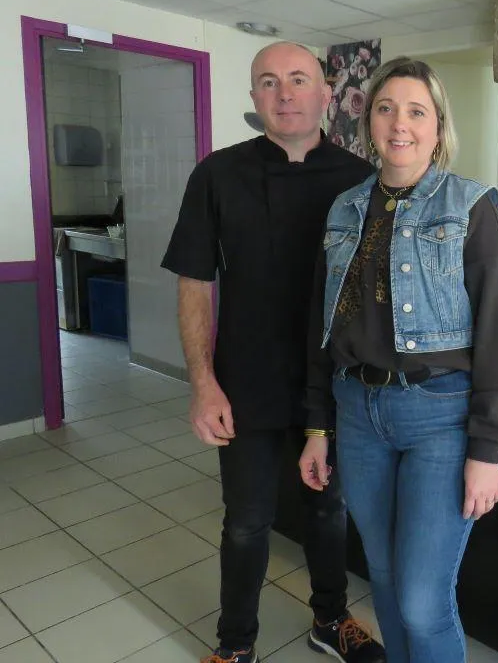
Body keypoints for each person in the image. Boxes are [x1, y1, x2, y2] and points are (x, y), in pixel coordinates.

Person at [162, 41, 386, 663]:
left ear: (325, 95)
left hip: (333, 384)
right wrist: (202, 383)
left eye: (297, 79)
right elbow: (193, 281)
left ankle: (331, 620)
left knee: (328, 510)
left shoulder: (360, 180)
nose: (284, 93)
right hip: (246, 381)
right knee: (246, 520)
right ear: (254, 97)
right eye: (268, 82)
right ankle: (236, 646)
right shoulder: (218, 173)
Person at [300, 56, 498, 663]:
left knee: (423, 600)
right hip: (356, 411)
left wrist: (487, 450)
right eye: (386, 108)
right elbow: (322, 326)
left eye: (416, 111)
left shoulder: (470, 206)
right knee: (386, 580)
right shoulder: (344, 209)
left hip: (440, 418)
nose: (400, 123)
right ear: (369, 121)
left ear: (437, 126)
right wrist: (317, 426)